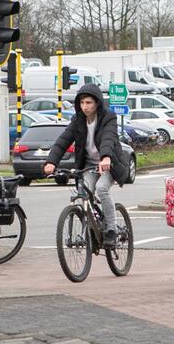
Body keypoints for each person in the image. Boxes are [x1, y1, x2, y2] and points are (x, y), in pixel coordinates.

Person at [42, 83, 126, 244]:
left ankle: (112, 229)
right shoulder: (78, 120)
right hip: (89, 166)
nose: (85, 107)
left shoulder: (108, 118)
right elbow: (62, 141)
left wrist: (106, 157)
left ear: (97, 103)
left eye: (88, 103)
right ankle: (89, 230)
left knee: (102, 189)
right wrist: (51, 162)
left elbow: (108, 138)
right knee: (80, 193)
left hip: (109, 164)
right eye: (82, 103)